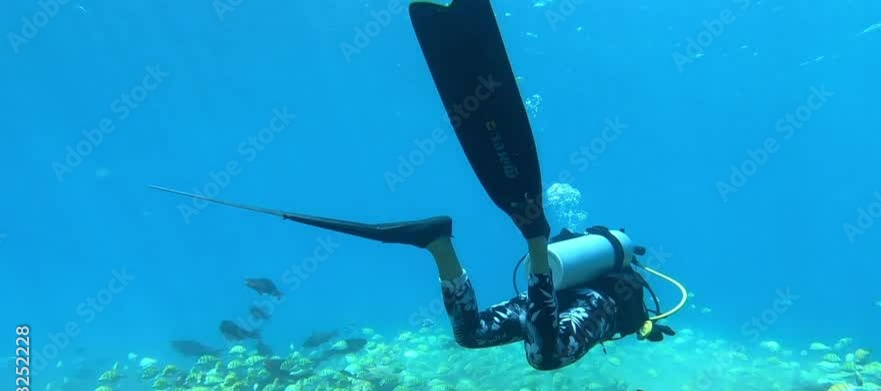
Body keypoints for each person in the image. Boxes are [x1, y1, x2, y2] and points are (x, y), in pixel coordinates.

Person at [148, 0, 686, 371]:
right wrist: (645, 327)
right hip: (579, 301)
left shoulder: (617, 267)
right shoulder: (630, 290)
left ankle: (439, 243)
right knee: (547, 356)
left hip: (548, 296)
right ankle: (535, 239)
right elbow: (636, 321)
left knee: (472, 334)